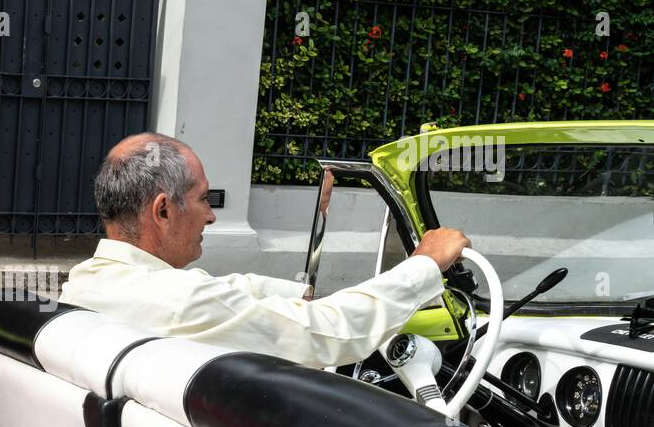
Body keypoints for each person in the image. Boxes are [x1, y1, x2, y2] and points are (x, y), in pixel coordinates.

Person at [59, 133, 473, 368]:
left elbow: (219, 289)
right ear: (163, 210)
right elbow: (331, 333)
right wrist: (424, 264)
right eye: (205, 199)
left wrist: (293, 294)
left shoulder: (85, 284)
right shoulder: (181, 303)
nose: (211, 218)